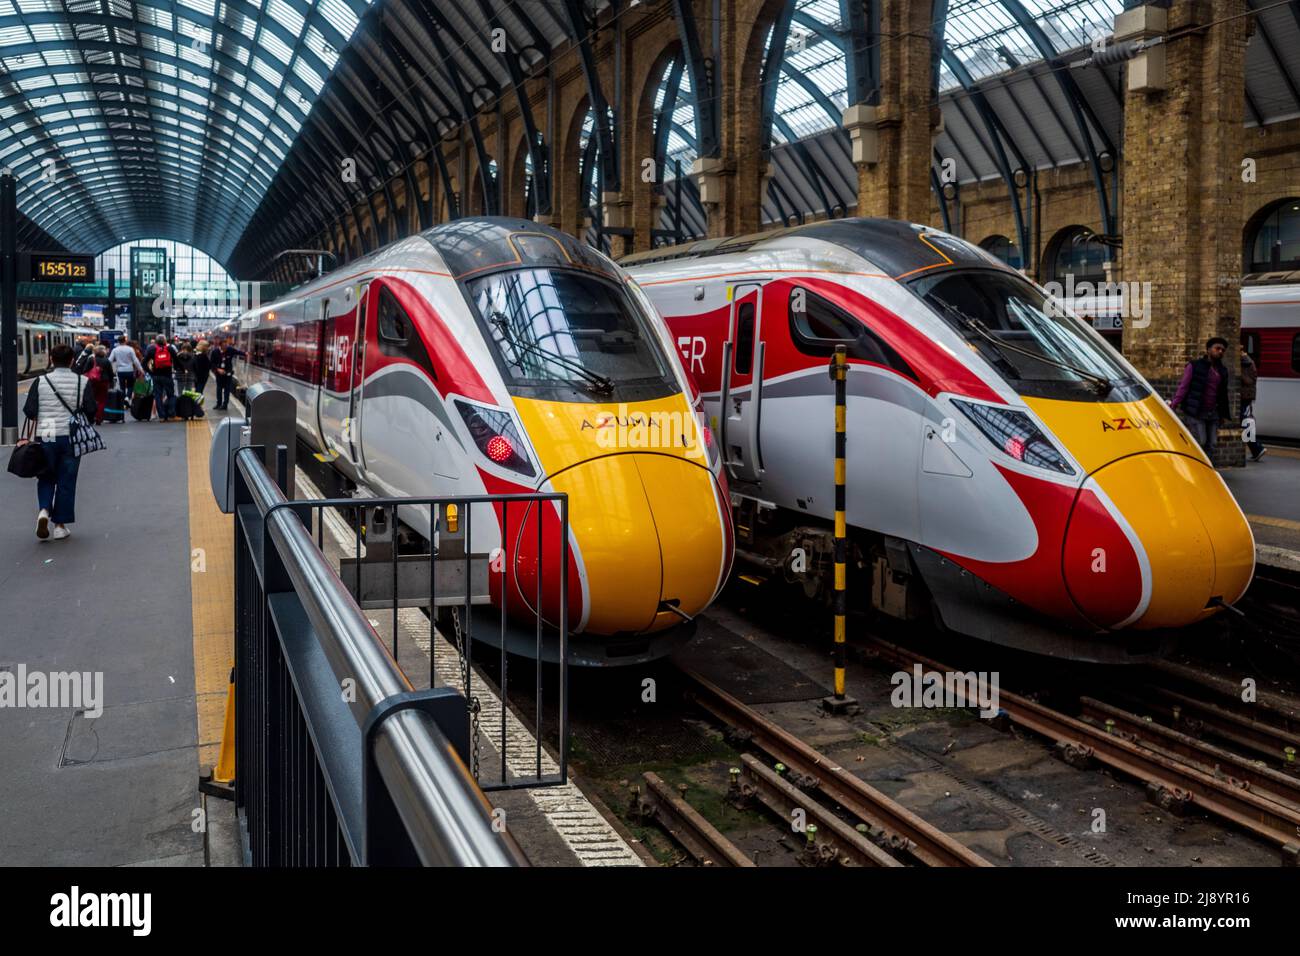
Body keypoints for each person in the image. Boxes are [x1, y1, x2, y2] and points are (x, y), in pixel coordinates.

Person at [23, 343, 97, 541]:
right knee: (66, 480)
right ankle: (60, 526)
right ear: (72, 360)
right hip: (70, 435)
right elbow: (91, 410)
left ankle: (44, 511)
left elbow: (30, 411)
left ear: (51, 360)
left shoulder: (40, 381)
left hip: (46, 432)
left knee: (45, 475)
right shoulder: (82, 381)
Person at [1171, 335, 1231, 458]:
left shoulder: (1222, 370)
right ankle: (1193, 466)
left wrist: (1223, 414)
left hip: (1214, 413)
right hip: (1196, 411)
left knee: (1212, 444)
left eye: (1223, 350)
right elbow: (1183, 387)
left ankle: (1207, 469)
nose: (1220, 351)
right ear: (1208, 350)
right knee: (1200, 441)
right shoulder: (1194, 366)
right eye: (1217, 348)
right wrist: (1173, 405)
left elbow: (1223, 394)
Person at [1239, 347, 1266, 462]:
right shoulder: (1247, 362)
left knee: (1245, 422)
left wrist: (1239, 373)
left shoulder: (1246, 363)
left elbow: (1250, 380)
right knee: (1245, 422)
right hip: (1246, 396)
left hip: (1245, 397)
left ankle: (1257, 449)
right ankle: (1256, 449)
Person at [144, 334, 179, 421]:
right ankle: (171, 414)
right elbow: (177, 361)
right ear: (165, 341)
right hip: (167, 375)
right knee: (171, 395)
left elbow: (144, 362)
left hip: (156, 376)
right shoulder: (170, 349)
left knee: (158, 396)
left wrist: (150, 371)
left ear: (156, 341)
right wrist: (181, 369)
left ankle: (162, 416)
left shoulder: (152, 350)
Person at [212, 340, 245, 410]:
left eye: (226, 345)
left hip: (228, 373)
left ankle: (225, 405)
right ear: (220, 346)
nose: (226, 347)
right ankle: (218, 403)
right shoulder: (215, 352)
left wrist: (246, 353)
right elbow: (212, 363)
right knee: (219, 389)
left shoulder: (230, 350)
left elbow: (238, 352)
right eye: (224, 346)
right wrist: (218, 369)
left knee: (227, 389)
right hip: (219, 374)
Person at [89, 345, 113, 424]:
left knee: (93, 399)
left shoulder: (91, 360)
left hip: (93, 381)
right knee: (102, 400)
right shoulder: (106, 361)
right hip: (104, 382)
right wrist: (111, 383)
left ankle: (92, 416)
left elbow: (85, 370)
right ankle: (99, 418)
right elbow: (110, 373)